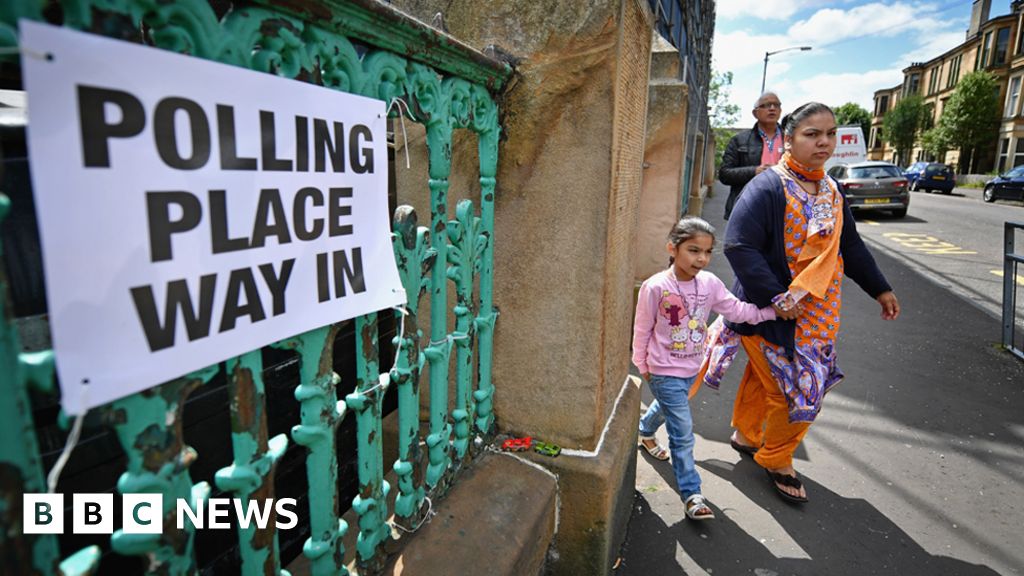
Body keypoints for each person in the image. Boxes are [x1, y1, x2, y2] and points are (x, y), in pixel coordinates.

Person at [701, 102, 900, 504]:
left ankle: (748, 435)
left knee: (768, 380)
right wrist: (777, 297)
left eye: (830, 134)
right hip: (769, 312)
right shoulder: (767, 187)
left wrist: (880, 288)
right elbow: (739, 246)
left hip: (819, 315)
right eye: (812, 134)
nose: (824, 142)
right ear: (789, 139)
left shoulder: (831, 191)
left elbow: (849, 246)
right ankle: (777, 459)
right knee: (794, 391)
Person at [632, 216, 777, 521]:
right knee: (683, 432)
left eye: (708, 252)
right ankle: (692, 494)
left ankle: (644, 431)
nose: (701, 258)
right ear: (672, 248)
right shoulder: (655, 286)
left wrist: (770, 312)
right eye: (693, 250)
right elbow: (642, 329)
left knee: (672, 407)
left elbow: (735, 309)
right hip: (662, 370)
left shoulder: (709, 283)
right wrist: (643, 365)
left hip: (691, 366)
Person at [719, 91, 784, 220]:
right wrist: (754, 171)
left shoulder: (791, 140)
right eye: (766, 105)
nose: (772, 108)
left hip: (781, 208)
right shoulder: (739, 140)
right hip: (747, 208)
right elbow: (724, 174)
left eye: (776, 105)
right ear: (755, 113)